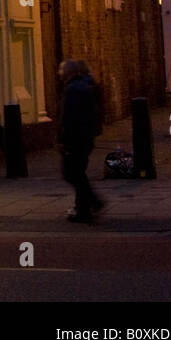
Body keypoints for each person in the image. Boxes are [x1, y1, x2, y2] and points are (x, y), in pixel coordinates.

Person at [58, 59, 105, 223]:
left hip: (76, 138)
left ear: (69, 72)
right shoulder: (87, 85)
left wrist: (63, 140)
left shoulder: (74, 89)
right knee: (78, 172)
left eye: (61, 70)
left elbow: (69, 117)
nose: (59, 73)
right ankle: (82, 208)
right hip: (86, 136)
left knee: (72, 173)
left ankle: (92, 202)